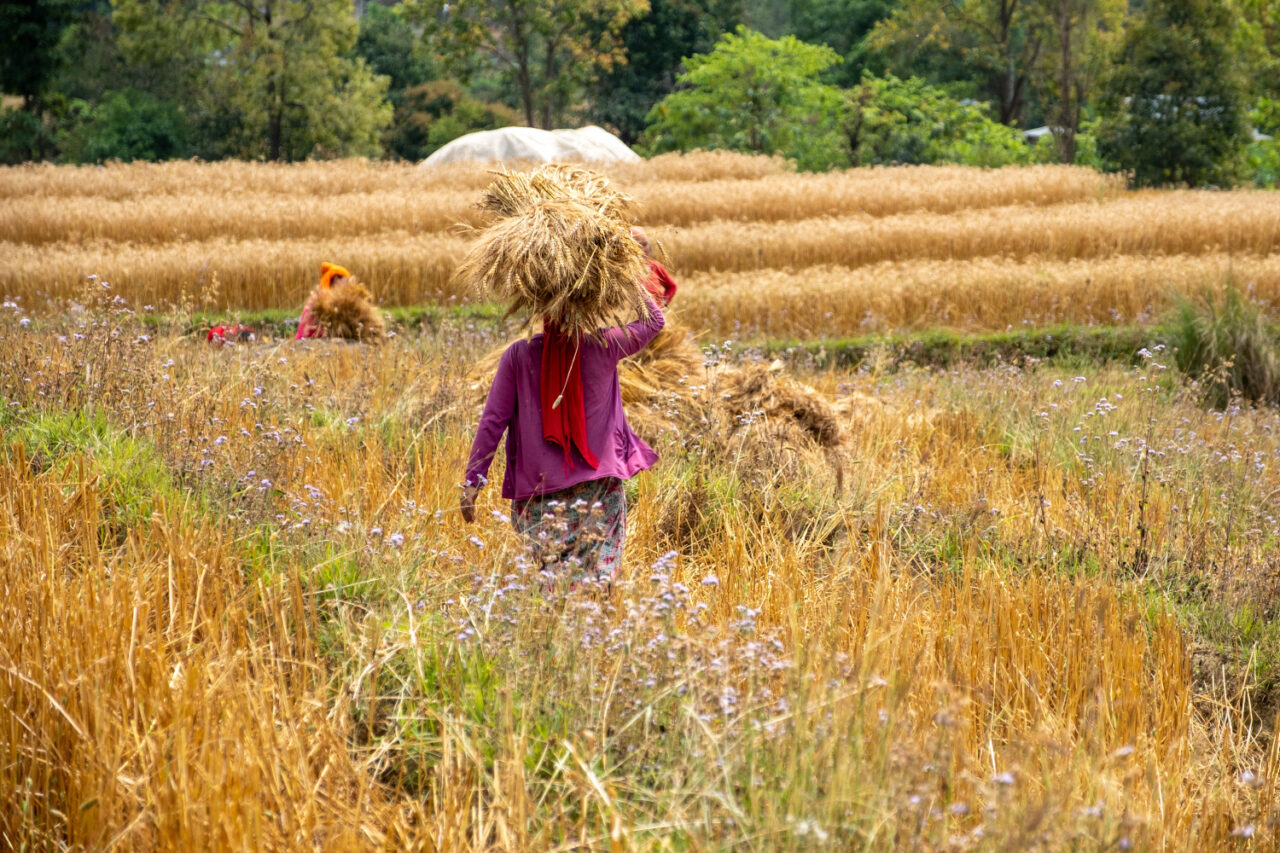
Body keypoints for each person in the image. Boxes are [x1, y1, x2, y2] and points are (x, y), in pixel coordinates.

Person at [460, 299, 666, 583]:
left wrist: (473, 482)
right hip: (598, 495)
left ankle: (555, 627)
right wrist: (629, 276)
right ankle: (594, 627)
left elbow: (493, 422)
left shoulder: (519, 356)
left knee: (552, 586)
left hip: (538, 498)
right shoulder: (604, 346)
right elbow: (655, 321)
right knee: (597, 583)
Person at [296, 262, 350, 340]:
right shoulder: (323, 299)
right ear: (336, 279)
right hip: (310, 341)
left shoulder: (320, 295)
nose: (347, 285)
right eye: (346, 281)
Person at [631, 226, 677, 306]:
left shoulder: (655, 266)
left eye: (645, 244)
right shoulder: (623, 272)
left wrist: (662, 305)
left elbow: (672, 287)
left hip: (657, 317)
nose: (642, 250)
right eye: (637, 246)